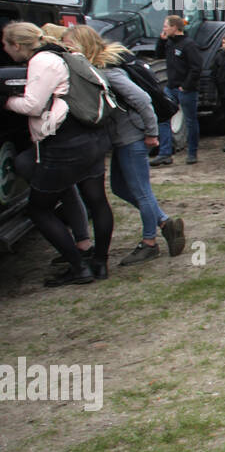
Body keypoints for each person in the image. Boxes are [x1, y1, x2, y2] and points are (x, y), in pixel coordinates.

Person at [2, 21, 114, 285]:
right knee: (97, 200)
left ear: (17, 45)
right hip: (92, 137)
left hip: (65, 145)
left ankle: (79, 268)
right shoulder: (66, 54)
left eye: (6, 45)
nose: (5, 50)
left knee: (39, 209)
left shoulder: (42, 61)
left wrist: (6, 101)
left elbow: (32, 104)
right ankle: (99, 263)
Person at [62, 25, 184, 265]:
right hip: (124, 138)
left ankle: (149, 243)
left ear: (82, 45)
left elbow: (142, 99)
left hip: (132, 137)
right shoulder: (97, 69)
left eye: (70, 46)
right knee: (119, 187)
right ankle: (163, 222)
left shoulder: (109, 71)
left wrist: (150, 133)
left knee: (142, 191)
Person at [151, 15, 202, 166]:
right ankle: (165, 153)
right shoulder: (169, 43)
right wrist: (161, 40)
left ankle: (192, 153)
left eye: (166, 26)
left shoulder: (188, 45)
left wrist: (185, 85)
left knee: (190, 120)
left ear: (175, 27)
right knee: (164, 119)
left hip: (186, 90)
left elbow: (196, 67)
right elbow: (158, 55)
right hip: (170, 88)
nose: (164, 28)